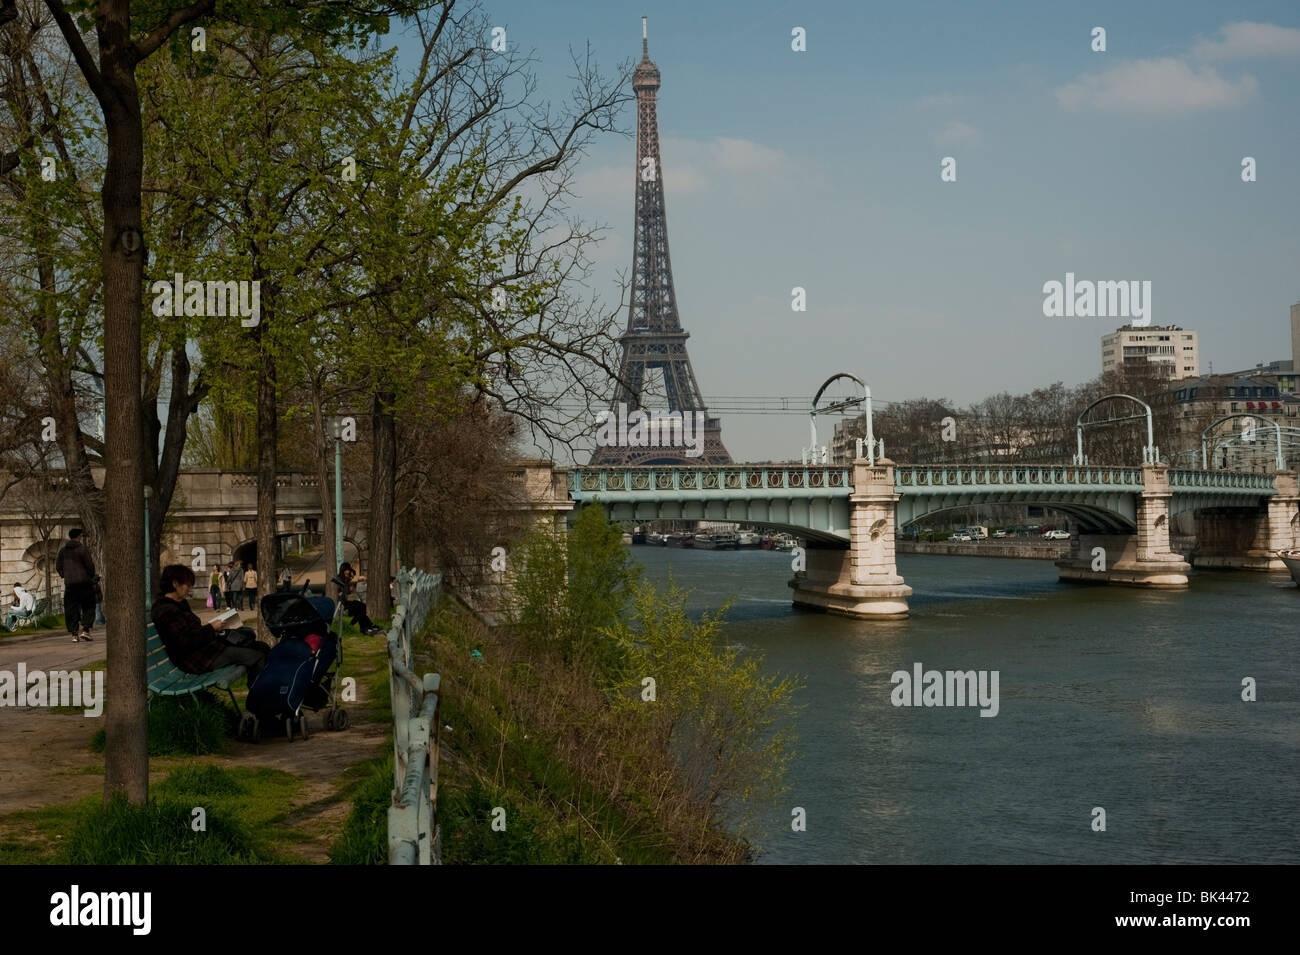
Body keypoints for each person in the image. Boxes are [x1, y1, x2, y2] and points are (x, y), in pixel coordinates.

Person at [151, 564, 269, 683]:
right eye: (187, 584)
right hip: (198, 659)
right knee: (258, 657)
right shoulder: (166, 611)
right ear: (175, 583)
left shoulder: (178, 603)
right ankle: (258, 698)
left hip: (206, 648)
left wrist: (214, 628)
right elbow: (185, 641)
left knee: (261, 646)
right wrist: (211, 628)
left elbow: (191, 631)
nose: (190, 588)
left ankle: (265, 690)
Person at [56, 528, 96, 643]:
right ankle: (85, 630)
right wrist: (91, 575)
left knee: (71, 608)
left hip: (70, 585)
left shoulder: (63, 551)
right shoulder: (82, 549)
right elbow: (90, 565)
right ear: (79, 536)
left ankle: (74, 634)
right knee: (89, 606)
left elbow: (58, 566)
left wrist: (65, 575)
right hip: (84, 583)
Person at [334, 563, 383, 635]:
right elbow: (342, 591)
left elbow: (347, 589)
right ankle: (362, 626)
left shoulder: (345, 579)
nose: (348, 572)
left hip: (345, 602)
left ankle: (366, 627)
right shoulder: (339, 579)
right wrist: (348, 589)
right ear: (344, 570)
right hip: (342, 604)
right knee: (361, 608)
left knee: (361, 607)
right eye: (347, 570)